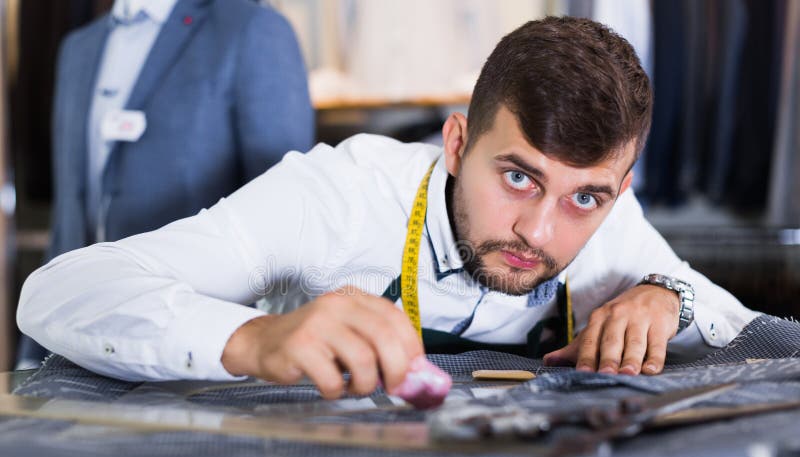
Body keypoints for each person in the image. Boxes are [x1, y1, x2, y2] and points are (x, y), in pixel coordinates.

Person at [17, 17, 757, 399]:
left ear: (615, 192)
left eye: (584, 197)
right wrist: (255, 338)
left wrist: (669, 298)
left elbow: (747, 333)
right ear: (459, 144)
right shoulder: (335, 196)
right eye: (520, 179)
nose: (540, 230)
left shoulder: (609, 222)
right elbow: (56, 293)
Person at [16, 0, 314, 367]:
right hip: (83, 353)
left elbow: (285, 214)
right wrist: (32, 353)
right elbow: (69, 219)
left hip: (205, 358)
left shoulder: (253, 30)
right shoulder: (79, 47)